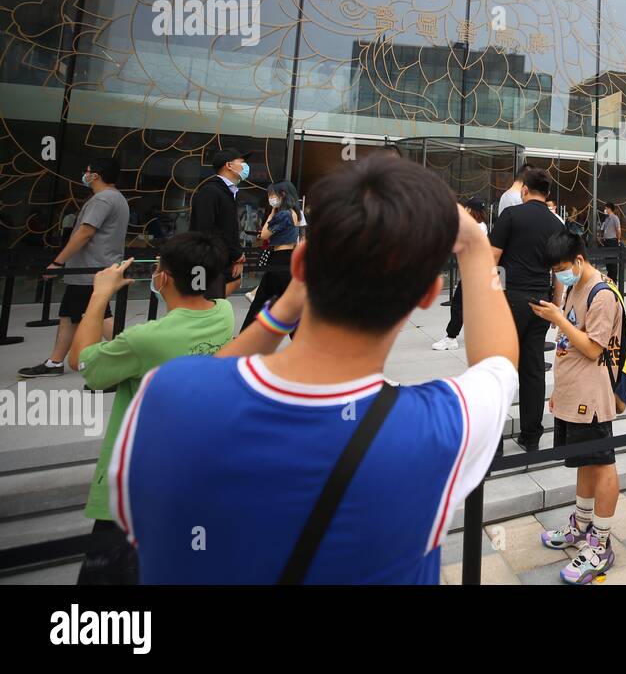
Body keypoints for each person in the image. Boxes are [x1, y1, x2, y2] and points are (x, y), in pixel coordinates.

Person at [110, 157, 518, 584]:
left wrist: (284, 307)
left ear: (300, 264)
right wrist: (473, 244)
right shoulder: (438, 428)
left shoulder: (165, 394)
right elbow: (499, 365)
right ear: (427, 295)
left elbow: (211, 379)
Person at [68, 233, 234, 584]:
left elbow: (82, 363)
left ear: (163, 278)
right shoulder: (223, 314)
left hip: (135, 486)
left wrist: (100, 294)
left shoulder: (146, 339)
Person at [533, 231, 625, 583]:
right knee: (585, 461)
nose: (559, 275)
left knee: (603, 464)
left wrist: (558, 319)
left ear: (580, 261)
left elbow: (592, 349)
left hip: (594, 397)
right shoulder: (575, 286)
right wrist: (560, 390)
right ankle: (582, 524)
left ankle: (601, 543)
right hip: (574, 394)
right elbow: (567, 346)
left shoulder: (601, 294)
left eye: (561, 268)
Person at [20, 157, 129, 379]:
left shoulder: (103, 199)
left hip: (91, 270)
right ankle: (55, 361)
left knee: (100, 316)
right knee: (69, 315)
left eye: (87, 171)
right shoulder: (114, 198)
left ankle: (136, 356)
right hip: (92, 269)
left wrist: (58, 262)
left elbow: (85, 232)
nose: (85, 175)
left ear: (96, 175)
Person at [492, 167, 565, 451]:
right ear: (546, 194)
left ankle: (494, 443)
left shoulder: (511, 215)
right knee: (533, 369)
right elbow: (559, 270)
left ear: (524, 190)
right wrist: (556, 304)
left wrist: (493, 295)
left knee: (500, 368)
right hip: (541, 302)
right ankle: (531, 437)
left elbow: (493, 257)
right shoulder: (556, 223)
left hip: (510, 299)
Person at [239, 182, 303, 332]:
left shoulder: (283, 214)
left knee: (282, 304)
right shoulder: (295, 212)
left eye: (272, 195)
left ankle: (302, 339)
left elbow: (264, 234)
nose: (270, 198)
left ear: (282, 194)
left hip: (280, 258)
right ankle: (245, 334)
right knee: (261, 300)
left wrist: (272, 212)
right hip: (285, 257)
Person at [190, 148, 249, 299]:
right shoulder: (210, 191)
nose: (245, 166)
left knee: (222, 294)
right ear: (228, 165)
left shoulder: (229, 192)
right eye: (241, 162)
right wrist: (236, 255)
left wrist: (236, 256)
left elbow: (227, 228)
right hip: (206, 263)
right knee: (203, 304)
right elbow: (205, 230)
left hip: (221, 261)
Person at [432, 196, 488, 351]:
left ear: (471, 210)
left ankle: (451, 337)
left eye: (467, 208)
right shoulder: (480, 226)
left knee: (458, 305)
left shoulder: (475, 227)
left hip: (473, 272)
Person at [598, 202, 622, 281]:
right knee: (608, 260)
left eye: (606, 208)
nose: (605, 210)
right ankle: (610, 277)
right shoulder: (607, 218)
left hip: (612, 241)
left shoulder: (615, 218)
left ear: (609, 209)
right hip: (607, 241)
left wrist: (618, 239)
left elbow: (618, 230)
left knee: (613, 261)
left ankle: (614, 279)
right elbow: (603, 229)